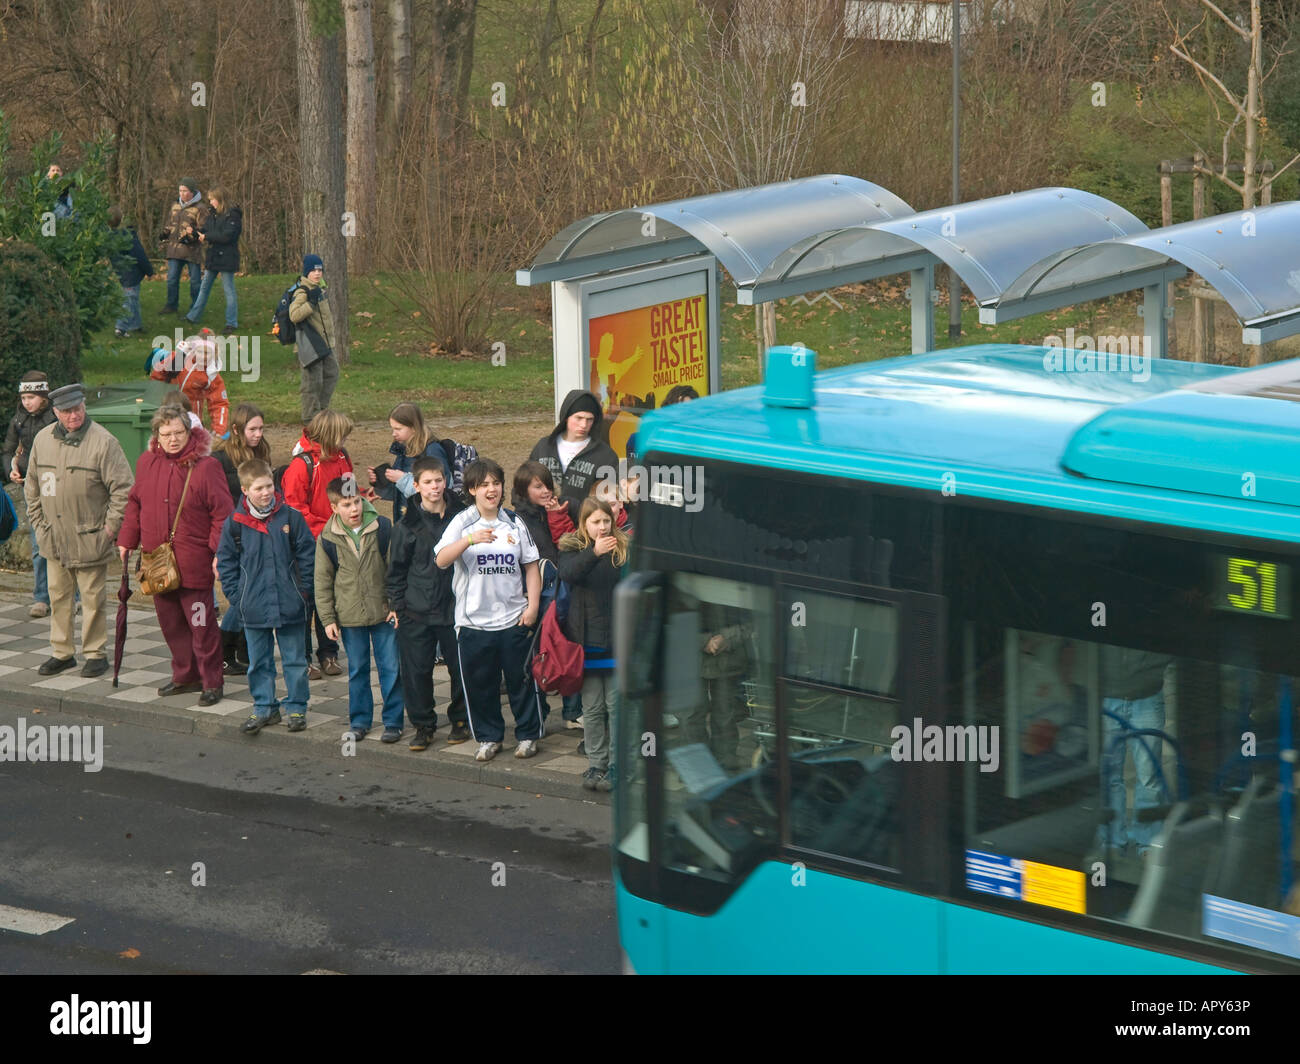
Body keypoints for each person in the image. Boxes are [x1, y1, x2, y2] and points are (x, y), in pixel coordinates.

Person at [117, 404, 233, 706]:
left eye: (178, 432)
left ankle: (211, 681)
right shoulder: (146, 463)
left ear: (190, 432)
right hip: (157, 562)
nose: (172, 439)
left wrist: (218, 552)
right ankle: (186, 675)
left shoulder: (207, 467)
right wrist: (127, 540)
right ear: (157, 435)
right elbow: (135, 504)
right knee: (171, 624)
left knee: (201, 624)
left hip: (194, 563)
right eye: (165, 433)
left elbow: (223, 514)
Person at [435, 458, 544, 762]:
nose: (491, 489)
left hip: (514, 620)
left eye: (496, 483)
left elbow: (531, 567)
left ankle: (528, 735)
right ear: (472, 489)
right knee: (481, 686)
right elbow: (441, 560)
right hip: (474, 624)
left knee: (521, 682)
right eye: (484, 485)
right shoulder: (462, 522)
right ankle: (488, 737)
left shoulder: (514, 521)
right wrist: (469, 540)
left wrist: (532, 607)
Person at [25, 384, 134, 678]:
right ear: (56, 412)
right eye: (67, 411)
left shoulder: (104, 442)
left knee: (92, 598)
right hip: (53, 536)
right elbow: (32, 486)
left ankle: (95, 653)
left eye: (78, 408)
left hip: (91, 535)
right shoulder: (42, 440)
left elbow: (123, 490)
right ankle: (62, 653)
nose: (74, 415)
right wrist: (38, 523)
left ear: (84, 406)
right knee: (58, 595)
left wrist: (110, 529)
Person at [216, 459, 315, 735]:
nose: (266, 492)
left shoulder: (291, 517)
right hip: (254, 605)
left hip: (290, 601)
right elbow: (226, 562)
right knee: (259, 661)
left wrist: (303, 591)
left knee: (295, 660)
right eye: (259, 488)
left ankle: (296, 707)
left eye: (269, 485)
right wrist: (238, 597)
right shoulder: (235, 524)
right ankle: (264, 706)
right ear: (245, 490)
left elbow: (308, 555)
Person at [387, 456, 470, 752]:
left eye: (439, 480)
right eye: (428, 482)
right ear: (417, 485)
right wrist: (397, 606)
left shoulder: (463, 516)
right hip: (415, 611)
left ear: (445, 481)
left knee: (461, 669)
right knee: (416, 672)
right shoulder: (405, 526)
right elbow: (395, 570)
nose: (434, 487)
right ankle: (423, 725)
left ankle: (461, 719)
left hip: (456, 608)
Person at [315, 476, 403, 743]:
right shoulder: (327, 537)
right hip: (350, 616)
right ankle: (360, 721)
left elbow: (395, 569)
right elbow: (322, 580)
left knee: (391, 668)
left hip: (383, 611)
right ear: (334, 507)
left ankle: (393, 722)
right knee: (358, 670)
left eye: (357, 502)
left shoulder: (382, 527)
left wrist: (396, 604)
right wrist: (328, 618)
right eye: (346, 504)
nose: (354, 509)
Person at [557, 497, 628, 791]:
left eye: (606, 521)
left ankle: (617, 765)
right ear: (584, 524)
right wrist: (594, 553)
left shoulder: (624, 549)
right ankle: (596, 764)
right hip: (586, 645)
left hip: (616, 643)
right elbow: (568, 574)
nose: (602, 526)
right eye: (595, 521)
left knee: (616, 707)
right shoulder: (572, 548)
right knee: (593, 709)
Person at [282, 409, 357, 678]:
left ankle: (329, 653)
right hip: (308, 545)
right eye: (342, 435)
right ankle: (302, 659)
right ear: (329, 435)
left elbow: (349, 492)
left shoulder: (342, 457)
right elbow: (294, 507)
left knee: (331, 600)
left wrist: (356, 507)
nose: (345, 440)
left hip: (335, 540)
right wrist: (326, 529)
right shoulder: (301, 465)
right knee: (306, 603)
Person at [1098, 646, 1174, 856]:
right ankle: (1112, 840)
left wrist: (1150, 671)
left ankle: (1147, 842)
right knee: (1109, 775)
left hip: (1147, 695)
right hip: (1107, 696)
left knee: (1148, 776)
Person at [213, 403, 269, 676]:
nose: (258, 434)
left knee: (253, 593)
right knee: (241, 596)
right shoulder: (220, 459)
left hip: (258, 534)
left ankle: (243, 649)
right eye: (252, 429)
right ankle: (223, 651)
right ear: (236, 429)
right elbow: (216, 504)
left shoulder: (261, 451)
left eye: (261, 428)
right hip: (233, 536)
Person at [2, 372, 57, 618]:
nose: (27, 402)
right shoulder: (18, 419)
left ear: (43, 397)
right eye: (24, 397)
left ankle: (72, 595)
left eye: (32, 397)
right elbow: (8, 449)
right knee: (38, 542)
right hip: (29, 484)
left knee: (62, 539)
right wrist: (10, 471)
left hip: (55, 482)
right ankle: (41, 597)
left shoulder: (57, 416)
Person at [529, 390, 619, 510]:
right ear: (566, 417)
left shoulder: (606, 456)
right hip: (539, 521)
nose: (583, 424)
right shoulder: (544, 447)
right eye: (579, 418)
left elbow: (611, 498)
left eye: (589, 419)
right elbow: (523, 484)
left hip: (583, 524)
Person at [366, 402, 454, 522]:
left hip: (427, 522)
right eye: (392, 428)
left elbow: (441, 489)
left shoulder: (432, 451)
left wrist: (402, 479)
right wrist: (381, 482)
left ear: (413, 428)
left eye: (398, 429)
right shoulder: (404, 451)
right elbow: (400, 492)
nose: (393, 433)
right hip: (406, 519)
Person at [148, 332, 230, 439]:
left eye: (207, 353)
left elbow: (219, 403)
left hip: (191, 420)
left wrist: (218, 430)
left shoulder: (211, 374)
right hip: (166, 413)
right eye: (200, 351)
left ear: (214, 353)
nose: (203, 356)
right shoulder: (178, 358)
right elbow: (156, 375)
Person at [185, 185, 241, 334]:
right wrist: (195, 232)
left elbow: (227, 236)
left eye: (212, 200)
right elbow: (206, 230)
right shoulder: (213, 214)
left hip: (227, 257)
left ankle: (231, 322)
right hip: (214, 256)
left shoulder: (233, 215)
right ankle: (193, 316)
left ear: (220, 199)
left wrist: (206, 237)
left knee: (228, 290)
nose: (210, 203)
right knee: (204, 288)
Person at [289, 254, 338, 423]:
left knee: (332, 373)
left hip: (325, 345)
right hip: (310, 346)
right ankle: (310, 419)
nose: (317, 273)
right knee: (312, 383)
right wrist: (310, 302)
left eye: (320, 270)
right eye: (313, 270)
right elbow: (294, 315)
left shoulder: (321, 290)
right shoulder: (303, 291)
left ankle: (321, 412)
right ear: (306, 272)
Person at [159, 178, 210, 316]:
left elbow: (203, 229)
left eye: (185, 191)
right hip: (174, 250)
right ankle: (171, 305)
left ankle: (195, 307)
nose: (182, 193)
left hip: (192, 251)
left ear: (192, 192)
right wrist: (165, 233)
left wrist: (190, 236)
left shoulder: (200, 208)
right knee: (171, 279)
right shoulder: (174, 205)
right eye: (180, 190)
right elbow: (170, 223)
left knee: (195, 281)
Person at [108, 206, 154, 338]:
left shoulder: (110, 237)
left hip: (121, 272)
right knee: (129, 300)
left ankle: (136, 324)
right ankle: (120, 327)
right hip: (131, 273)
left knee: (133, 299)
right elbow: (140, 256)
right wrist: (150, 271)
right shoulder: (128, 237)